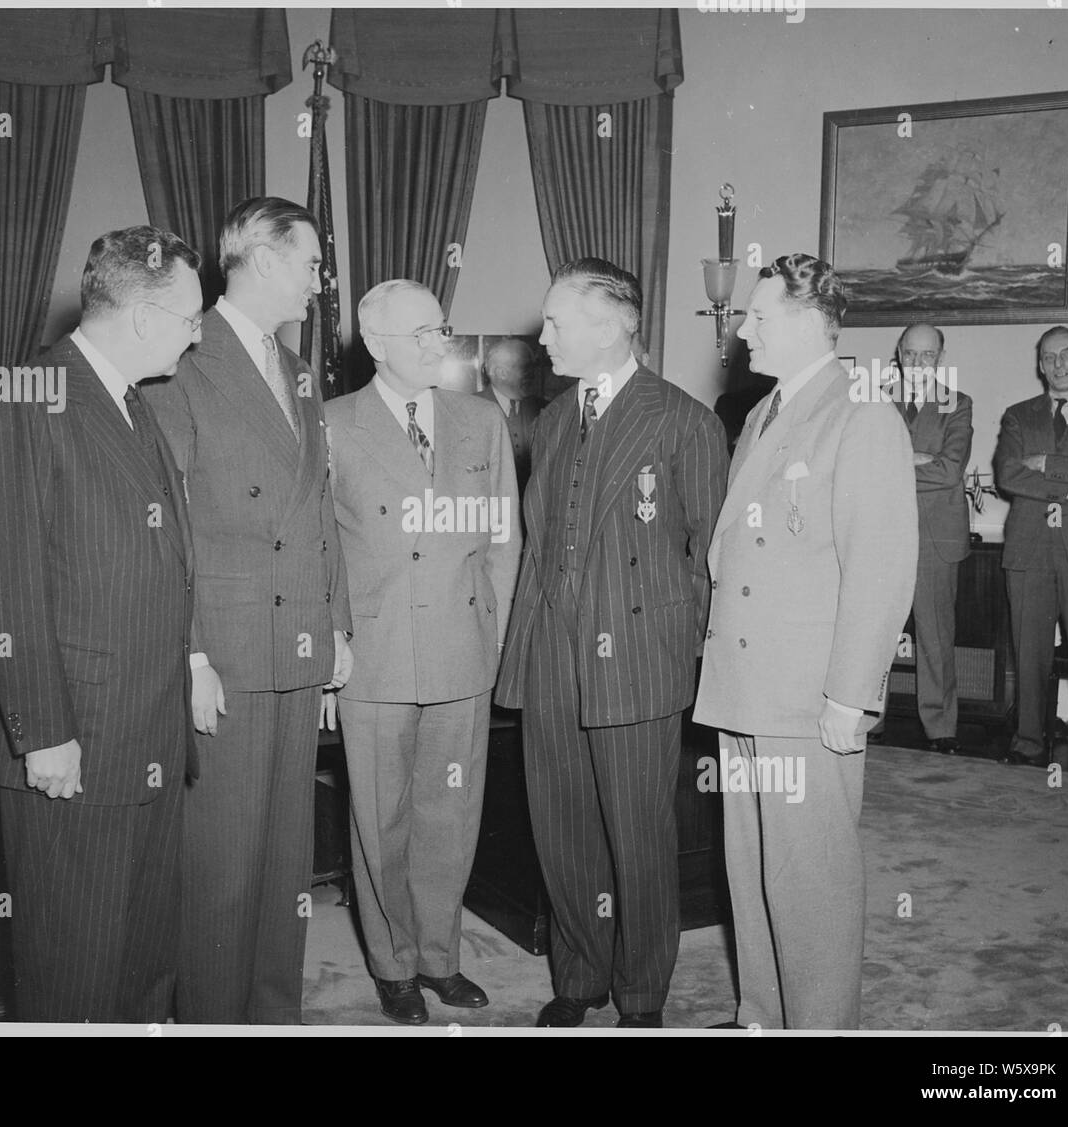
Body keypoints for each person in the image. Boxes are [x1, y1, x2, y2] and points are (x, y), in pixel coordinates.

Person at [0, 227, 201, 1022]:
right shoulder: (29, 395)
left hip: (147, 733)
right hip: (76, 738)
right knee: (74, 969)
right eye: (190, 318)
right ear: (141, 319)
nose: (199, 334)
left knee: (140, 962)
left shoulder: (133, 403)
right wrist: (42, 730)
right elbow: (4, 579)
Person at [495, 258, 728, 1028]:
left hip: (633, 658)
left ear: (613, 324)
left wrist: (670, 653)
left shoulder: (683, 419)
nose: (544, 335)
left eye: (558, 321)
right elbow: (540, 543)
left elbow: (711, 558)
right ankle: (579, 975)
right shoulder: (554, 418)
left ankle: (639, 994)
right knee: (561, 827)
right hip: (552, 654)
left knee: (638, 838)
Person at [141, 197, 353, 1025]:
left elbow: (319, 504)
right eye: (308, 263)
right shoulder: (184, 357)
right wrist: (189, 655)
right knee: (221, 869)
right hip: (224, 653)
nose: (317, 280)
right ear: (262, 260)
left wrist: (336, 626)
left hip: (295, 645)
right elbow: (168, 518)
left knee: (281, 865)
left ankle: (273, 1015)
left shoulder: (295, 367)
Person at [693, 253, 917, 1030]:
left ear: (806, 319)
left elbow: (881, 567)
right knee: (752, 866)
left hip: (806, 692)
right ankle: (762, 1012)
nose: (742, 332)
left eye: (757, 317)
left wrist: (850, 697)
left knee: (811, 878)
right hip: (746, 684)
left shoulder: (861, 413)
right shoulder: (763, 412)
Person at [324, 280, 520, 1024]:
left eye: (443, 329)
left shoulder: (481, 419)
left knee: (452, 811)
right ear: (375, 344)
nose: (441, 343)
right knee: (380, 817)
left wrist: (492, 642)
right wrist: (333, 644)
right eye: (423, 334)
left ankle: (440, 956)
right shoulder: (332, 422)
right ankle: (392, 963)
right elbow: (321, 547)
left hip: (460, 648)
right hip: (374, 654)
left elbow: (504, 541)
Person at [994, 326, 1068, 769]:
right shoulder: (1018, 416)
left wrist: (1049, 464)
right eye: (1050, 357)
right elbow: (1007, 475)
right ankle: (1028, 742)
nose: (1059, 364)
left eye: (1067, 354)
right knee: (1029, 652)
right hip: (1029, 551)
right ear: (1039, 364)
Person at [874, 324, 973, 753]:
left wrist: (892, 462)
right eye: (911, 354)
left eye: (927, 355)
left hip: (936, 539)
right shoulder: (872, 398)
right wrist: (917, 460)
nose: (918, 363)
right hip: (880, 536)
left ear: (941, 357)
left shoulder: (959, 403)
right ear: (898, 353)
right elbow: (862, 464)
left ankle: (940, 728)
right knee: (874, 633)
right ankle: (868, 719)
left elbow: (951, 469)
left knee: (935, 636)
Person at [478, 337, 545, 494]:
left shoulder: (547, 410)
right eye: (526, 368)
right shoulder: (468, 410)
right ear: (501, 372)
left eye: (533, 367)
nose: (533, 375)